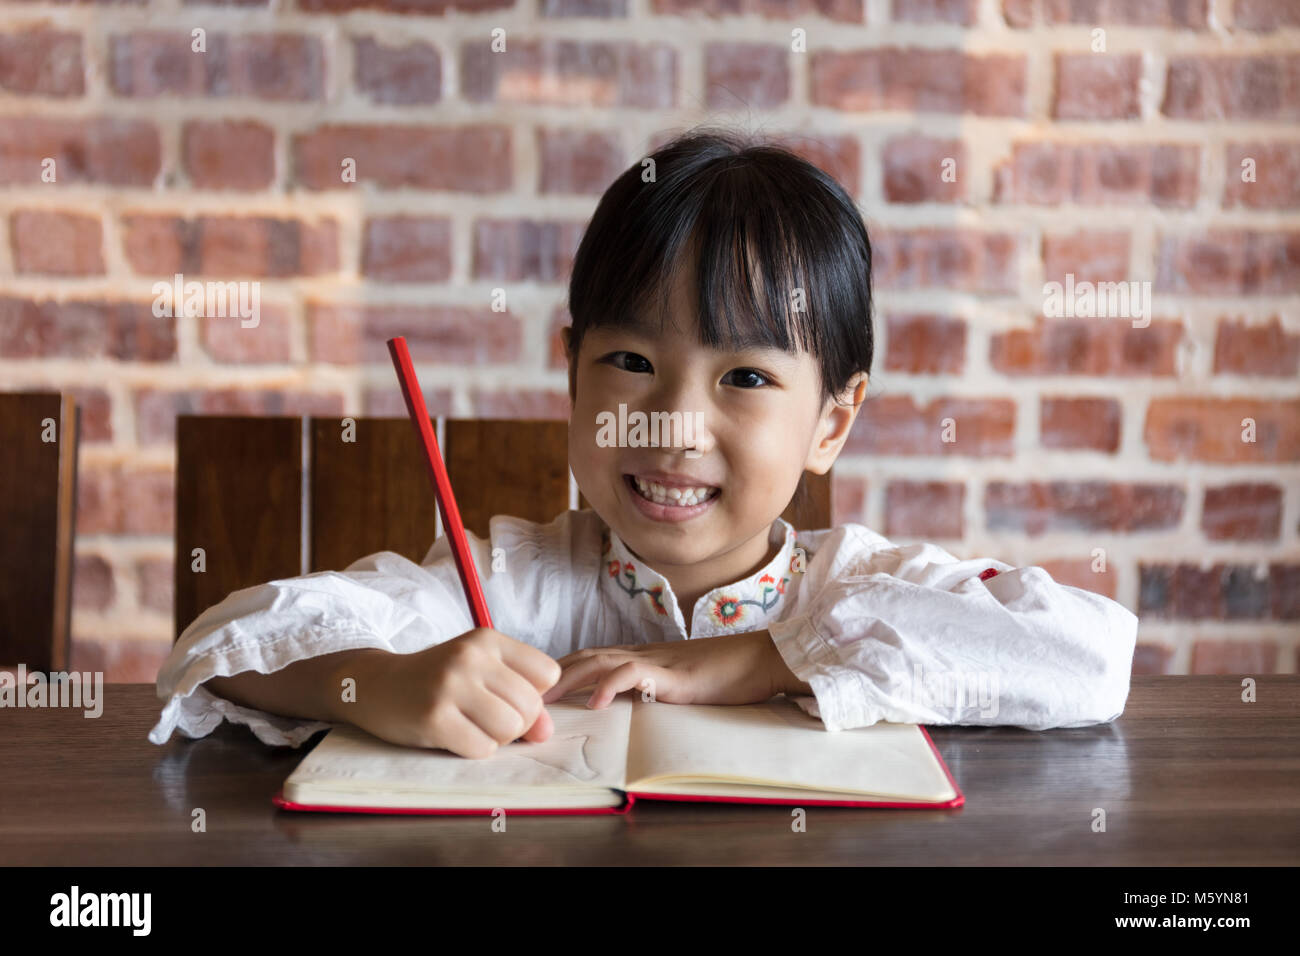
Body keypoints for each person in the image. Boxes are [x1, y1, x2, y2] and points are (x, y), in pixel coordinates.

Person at [148, 127, 1137, 759]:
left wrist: (760, 658)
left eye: (745, 376)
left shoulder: (859, 583)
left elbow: (1089, 653)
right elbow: (216, 643)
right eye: (628, 361)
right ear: (569, 371)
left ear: (832, 420)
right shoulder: (509, 583)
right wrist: (373, 680)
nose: (670, 421)